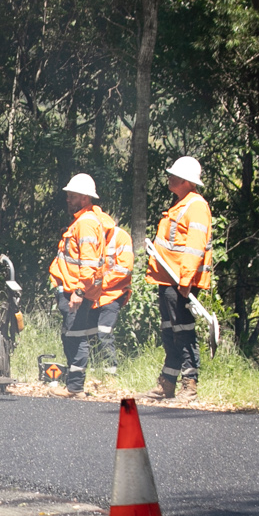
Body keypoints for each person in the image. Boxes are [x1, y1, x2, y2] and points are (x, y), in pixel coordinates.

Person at [45, 173, 132, 396]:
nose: (68, 199)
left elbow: (89, 263)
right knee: (72, 336)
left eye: (72, 195)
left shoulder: (85, 223)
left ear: (85, 198)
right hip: (73, 289)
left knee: (77, 337)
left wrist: (79, 291)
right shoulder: (84, 221)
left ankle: (74, 386)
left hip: (76, 290)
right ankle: (74, 385)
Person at [148, 155, 213, 400]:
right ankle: (168, 383)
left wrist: (185, 280)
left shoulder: (195, 206)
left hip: (180, 283)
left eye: (174, 174)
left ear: (186, 181)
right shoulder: (179, 204)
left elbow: (195, 246)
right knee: (170, 331)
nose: (170, 177)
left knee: (183, 331)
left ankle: (190, 384)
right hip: (167, 280)